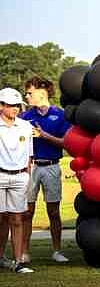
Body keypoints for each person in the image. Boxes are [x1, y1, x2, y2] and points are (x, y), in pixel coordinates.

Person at [20, 76, 71, 264]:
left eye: (30, 93)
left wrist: (44, 135)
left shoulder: (61, 115)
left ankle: (57, 251)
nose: (27, 96)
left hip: (51, 166)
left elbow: (66, 143)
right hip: (30, 167)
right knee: (27, 212)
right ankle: (24, 252)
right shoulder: (24, 117)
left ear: (42, 93)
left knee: (54, 212)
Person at [0, 88, 34, 273]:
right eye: (11, 105)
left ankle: (18, 262)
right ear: (1, 106)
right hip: (0, 175)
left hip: (20, 176)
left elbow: (29, 156)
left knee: (17, 219)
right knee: (1, 219)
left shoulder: (25, 126)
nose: (15, 109)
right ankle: (1, 258)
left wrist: (27, 176)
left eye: (17, 105)